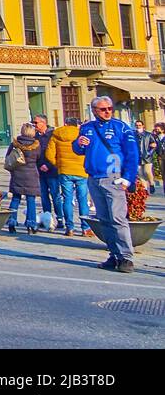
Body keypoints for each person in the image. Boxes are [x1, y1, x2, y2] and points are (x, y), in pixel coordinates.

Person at [75, 96, 140, 273]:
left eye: (110, 108)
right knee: (104, 219)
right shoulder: (87, 127)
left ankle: (126, 257)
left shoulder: (121, 127)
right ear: (94, 110)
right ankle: (114, 254)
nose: (108, 112)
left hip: (114, 178)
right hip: (94, 178)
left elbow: (132, 153)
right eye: (103, 109)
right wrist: (79, 143)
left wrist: (128, 178)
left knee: (118, 218)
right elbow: (78, 149)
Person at [45, 114, 93, 238]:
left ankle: (69, 227)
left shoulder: (56, 134)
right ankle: (85, 228)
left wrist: (59, 164)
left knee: (67, 199)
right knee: (82, 199)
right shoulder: (81, 134)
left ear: (65, 124)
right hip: (81, 170)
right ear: (76, 124)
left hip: (64, 171)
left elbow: (49, 154)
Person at [4, 123, 41, 235]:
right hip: (31, 176)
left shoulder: (15, 144)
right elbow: (39, 158)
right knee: (31, 200)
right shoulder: (36, 145)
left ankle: (12, 222)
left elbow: (8, 157)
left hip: (17, 174)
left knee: (15, 199)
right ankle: (31, 224)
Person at [136, 119, 157, 195]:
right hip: (138, 156)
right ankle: (144, 188)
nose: (138, 126)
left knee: (147, 171)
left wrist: (150, 153)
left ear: (143, 126)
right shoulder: (133, 134)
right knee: (140, 173)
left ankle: (151, 184)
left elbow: (154, 145)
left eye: (139, 125)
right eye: (137, 125)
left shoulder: (148, 135)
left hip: (147, 156)